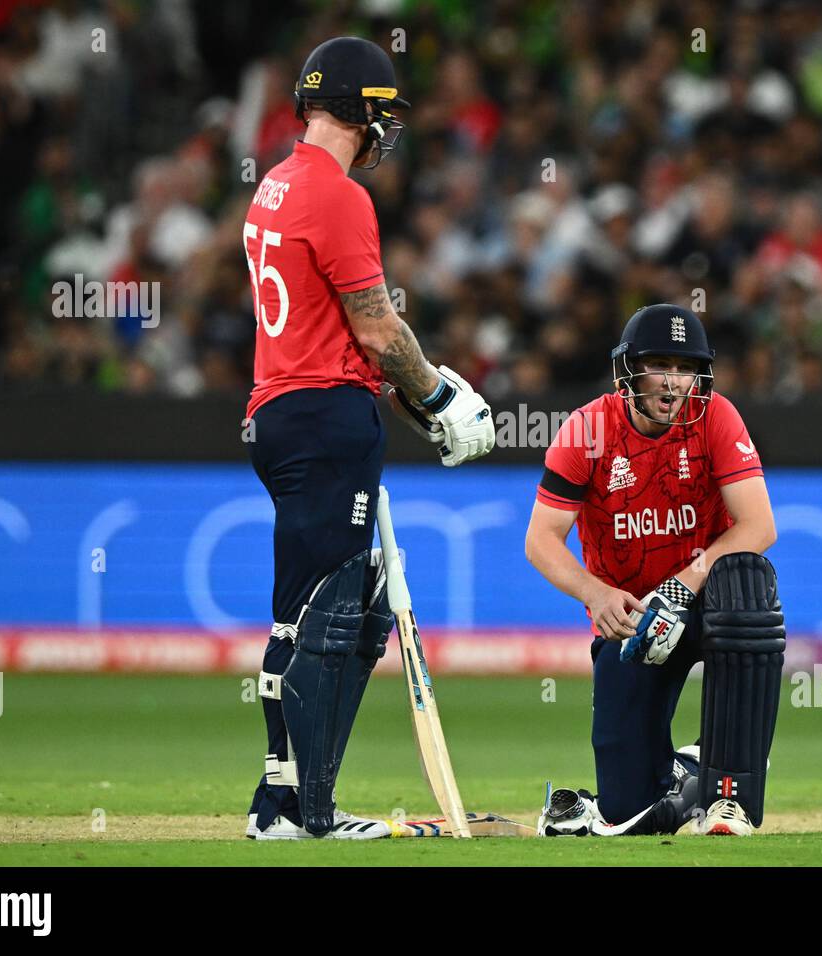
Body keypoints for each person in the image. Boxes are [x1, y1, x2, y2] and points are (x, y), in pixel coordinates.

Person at [242, 36, 495, 840]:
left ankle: (280, 803)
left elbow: (338, 327)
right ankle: (305, 813)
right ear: (359, 112)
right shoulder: (339, 195)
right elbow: (378, 327)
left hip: (280, 410)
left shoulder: (275, 186)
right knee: (332, 617)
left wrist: (416, 395)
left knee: (321, 614)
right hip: (326, 417)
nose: (387, 132)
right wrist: (439, 395)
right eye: (382, 115)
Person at [524, 304, 785, 836]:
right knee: (626, 813)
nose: (672, 382)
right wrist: (594, 594)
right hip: (632, 622)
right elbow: (541, 541)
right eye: (657, 364)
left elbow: (759, 526)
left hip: (706, 604)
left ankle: (730, 795)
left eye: (685, 367)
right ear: (628, 370)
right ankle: (689, 769)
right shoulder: (586, 430)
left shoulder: (717, 416)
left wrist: (685, 584)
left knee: (747, 584)